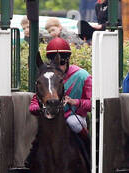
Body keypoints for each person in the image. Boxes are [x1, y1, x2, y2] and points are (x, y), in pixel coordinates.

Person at [28, 36, 92, 166]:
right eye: (54, 63)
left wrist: (76, 102)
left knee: (73, 122)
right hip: (52, 117)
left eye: (61, 63)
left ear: (68, 61)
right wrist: (38, 108)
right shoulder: (48, 78)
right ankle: (31, 159)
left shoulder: (82, 76)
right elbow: (34, 102)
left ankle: (89, 152)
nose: (58, 67)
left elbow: (93, 104)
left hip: (74, 116)